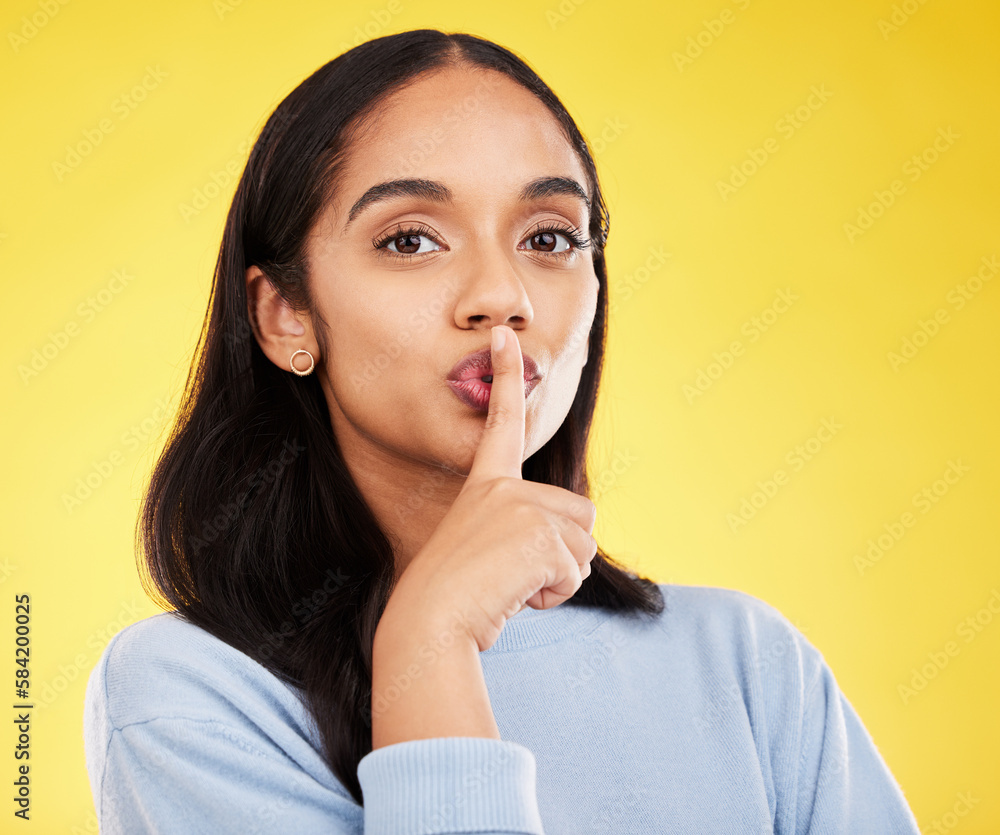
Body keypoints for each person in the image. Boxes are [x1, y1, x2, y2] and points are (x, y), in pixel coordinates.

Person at [83, 29, 922, 834]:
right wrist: (428, 643)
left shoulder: (747, 665)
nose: (501, 295)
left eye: (549, 237)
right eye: (411, 239)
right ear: (284, 315)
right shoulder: (189, 695)